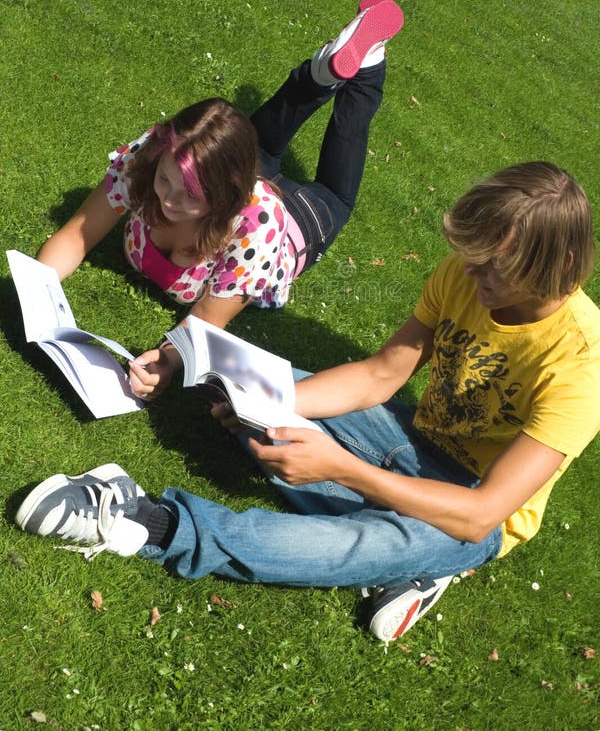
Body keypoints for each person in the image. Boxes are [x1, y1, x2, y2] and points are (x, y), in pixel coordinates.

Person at [16, 162, 600, 640]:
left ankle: (152, 524)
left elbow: (481, 514)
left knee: (385, 539)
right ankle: (408, 567)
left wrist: (339, 467)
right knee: (255, 384)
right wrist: (263, 399)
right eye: (472, 257)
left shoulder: (582, 363)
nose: (473, 273)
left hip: (474, 507)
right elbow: (377, 378)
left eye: (495, 266)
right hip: (406, 441)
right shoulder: (465, 274)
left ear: (560, 267)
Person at [36, 0, 404, 399]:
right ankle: (321, 71)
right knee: (252, 139)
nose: (169, 202)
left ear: (229, 197)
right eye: (165, 181)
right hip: (234, 176)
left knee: (344, 151)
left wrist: (167, 361)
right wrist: (36, 291)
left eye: (190, 196)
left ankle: (368, 64)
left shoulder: (254, 230)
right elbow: (78, 234)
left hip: (300, 224)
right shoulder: (156, 157)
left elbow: (206, 320)